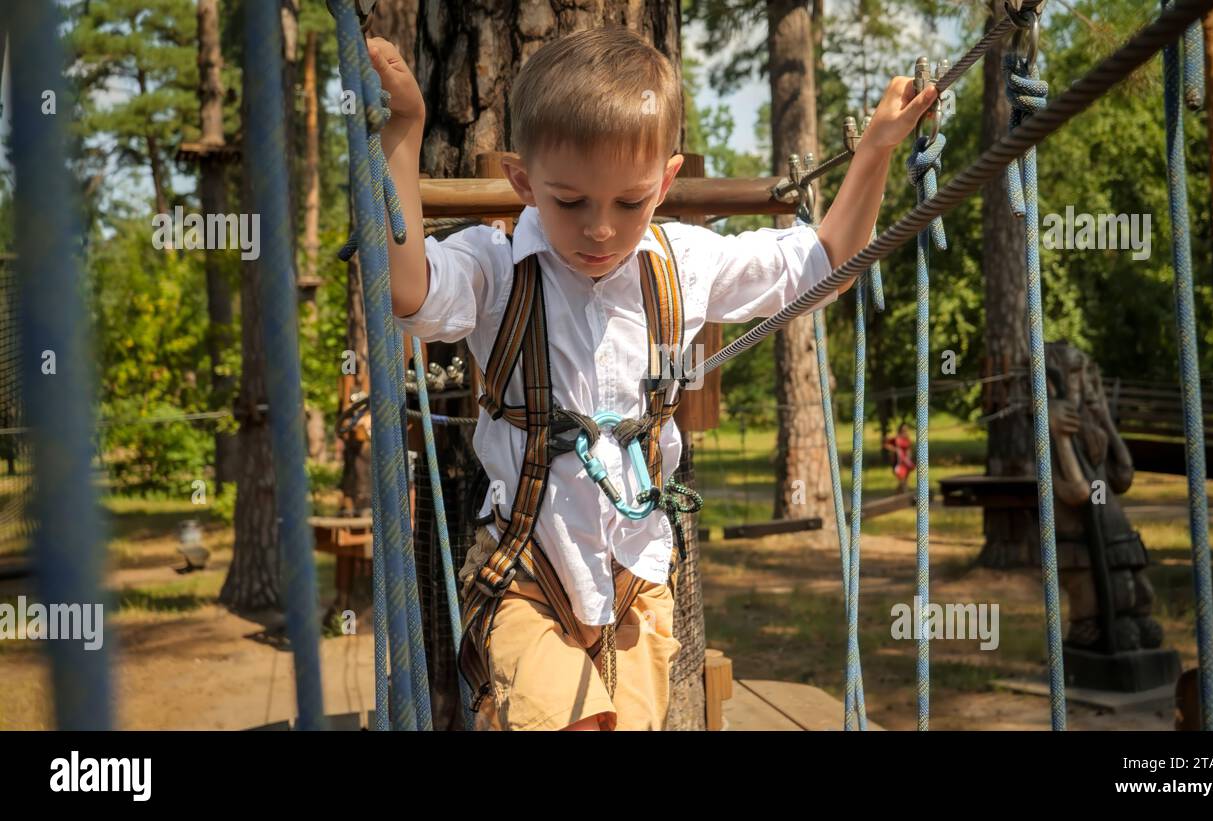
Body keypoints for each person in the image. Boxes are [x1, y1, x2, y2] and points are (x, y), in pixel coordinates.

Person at [369, 26, 937, 730]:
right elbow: (408, 290)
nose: (601, 229)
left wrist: (876, 151)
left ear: (665, 184)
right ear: (522, 182)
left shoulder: (683, 264)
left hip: (638, 582)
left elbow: (825, 264)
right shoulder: (495, 268)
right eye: (571, 202)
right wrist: (404, 129)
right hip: (526, 574)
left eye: (630, 202)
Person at [883, 422, 916, 492]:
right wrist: (895, 450)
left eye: (906, 430)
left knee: (904, 480)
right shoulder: (896, 438)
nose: (905, 431)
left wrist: (909, 456)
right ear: (900, 430)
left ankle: (898, 494)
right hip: (898, 461)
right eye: (904, 430)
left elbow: (909, 448)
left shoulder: (907, 439)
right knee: (902, 479)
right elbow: (886, 445)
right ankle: (905, 494)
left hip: (906, 461)